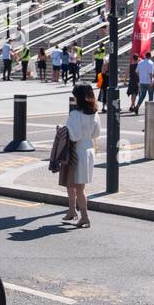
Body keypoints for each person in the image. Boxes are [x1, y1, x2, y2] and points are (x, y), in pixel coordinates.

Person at [62, 84, 101, 228]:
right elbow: (96, 134)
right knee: (72, 183)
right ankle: (72, 211)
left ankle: (84, 216)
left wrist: (63, 129)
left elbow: (74, 135)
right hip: (89, 150)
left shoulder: (75, 114)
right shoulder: (95, 113)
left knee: (78, 187)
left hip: (76, 152)